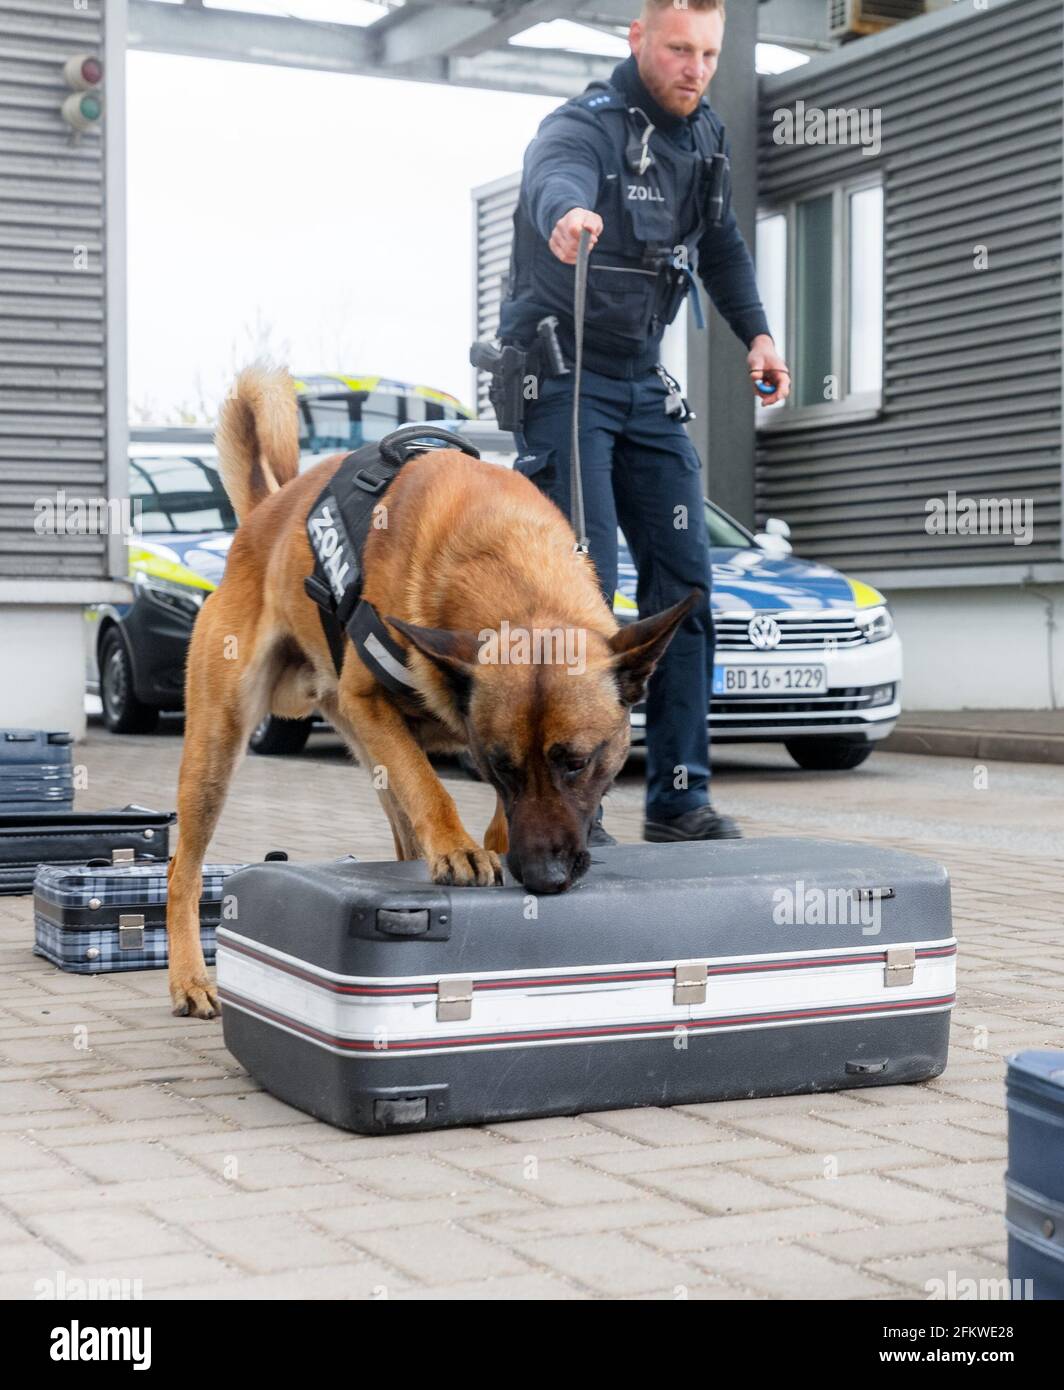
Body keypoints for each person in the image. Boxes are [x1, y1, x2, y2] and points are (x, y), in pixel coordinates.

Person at [495, 0, 790, 845]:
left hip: (640, 386)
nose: (694, 67)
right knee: (585, 594)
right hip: (565, 383)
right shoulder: (582, 126)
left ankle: (680, 797)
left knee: (685, 589)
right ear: (636, 39)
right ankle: (570, 802)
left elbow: (723, 245)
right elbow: (553, 173)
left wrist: (760, 332)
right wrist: (566, 216)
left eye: (706, 52)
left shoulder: (705, 142)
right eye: (677, 49)